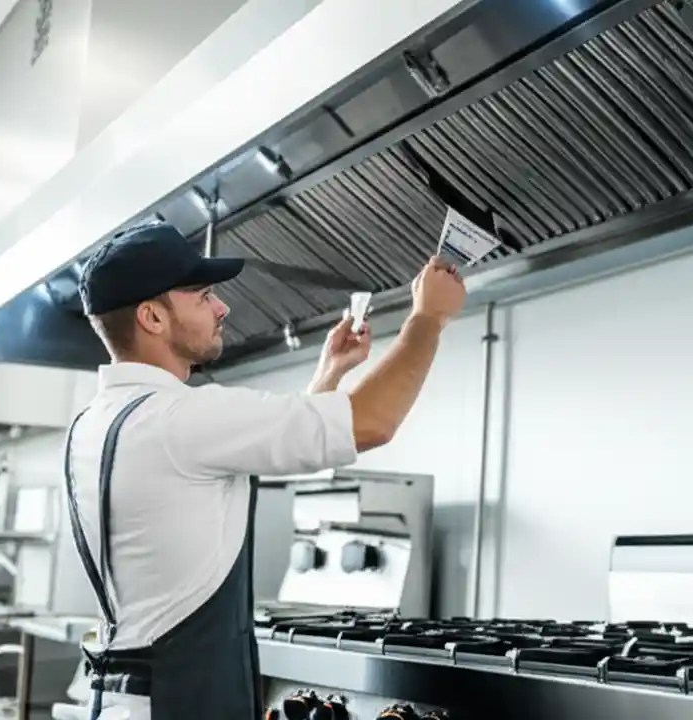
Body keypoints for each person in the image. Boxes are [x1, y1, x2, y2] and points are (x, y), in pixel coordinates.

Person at [64, 222, 466, 719]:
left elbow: (283, 441)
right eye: (203, 296)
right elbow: (371, 422)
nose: (222, 308)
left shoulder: (95, 423)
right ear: (152, 317)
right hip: (177, 703)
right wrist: (428, 318)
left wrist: (330, 374)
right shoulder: (180, 418)